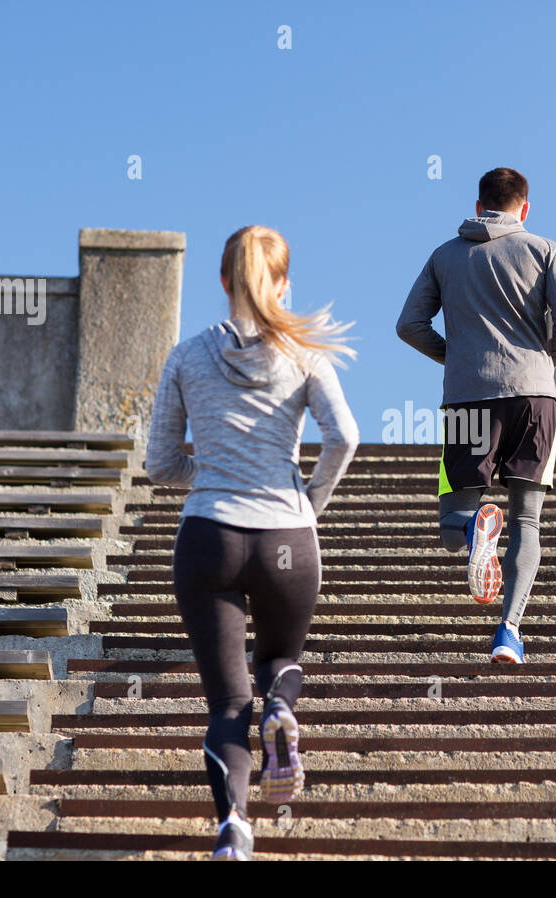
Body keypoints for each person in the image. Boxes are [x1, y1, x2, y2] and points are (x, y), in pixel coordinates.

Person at [146, 225, 359, 861]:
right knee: (278, 663)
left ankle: (235, 825)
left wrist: (209, 476)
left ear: (222, 282)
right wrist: (305, 503)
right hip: (287, 540)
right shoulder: (305, 356)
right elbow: (344, 437)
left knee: (228, 700)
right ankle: (283, 712)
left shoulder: (185, 355)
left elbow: (159, 464)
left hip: (210, 536)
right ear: (284, 283)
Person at [396, 167, 556, 665]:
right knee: (526, 521)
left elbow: (409, 325)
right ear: (524, 208)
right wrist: (545, 360)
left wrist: (456, 358)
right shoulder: (544, 249)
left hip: (467, 400)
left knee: (449, 526)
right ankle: (509, 633)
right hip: (534, 398)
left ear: (478, 207)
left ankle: (476, 523)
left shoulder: (445, 255)